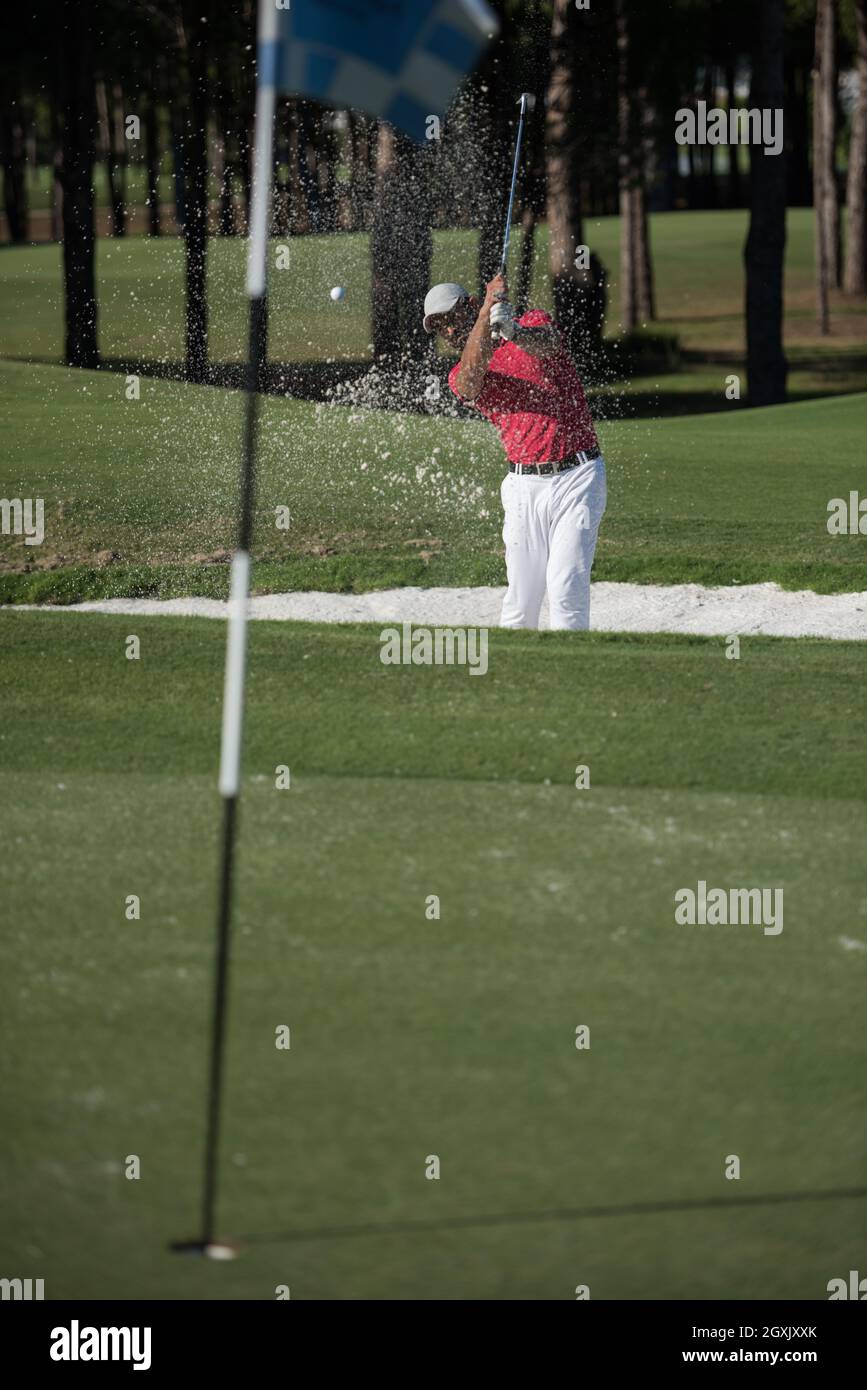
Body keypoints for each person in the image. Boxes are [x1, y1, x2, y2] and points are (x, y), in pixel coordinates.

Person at [423, 276, 607, 631]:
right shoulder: (460, 373)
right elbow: (470, 382)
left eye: (449, 318)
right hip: (523, 488)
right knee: (520, 603)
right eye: (439, 327)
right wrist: (485, 319)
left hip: (578, 477)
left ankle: (571, 678)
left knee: (565, 588)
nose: (446, 331)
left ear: (471, 303)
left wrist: (514, 332)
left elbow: (550, 344)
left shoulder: (534, 322)